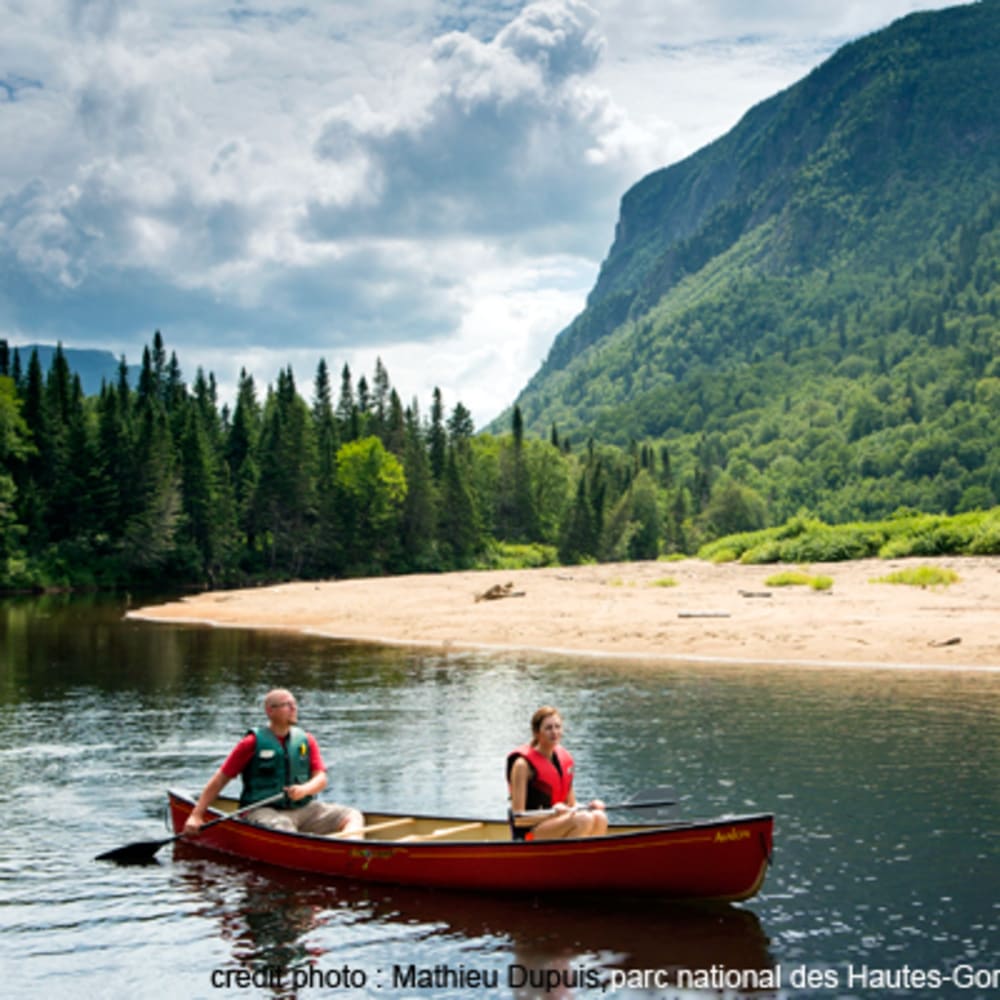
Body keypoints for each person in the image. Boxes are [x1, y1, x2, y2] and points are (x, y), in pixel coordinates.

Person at [183, 688, 363, 837]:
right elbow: (220, 779)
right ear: (270, 711)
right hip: (261, 810)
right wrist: (196, 815)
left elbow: (321, 779)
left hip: (303, 809)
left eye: (294, 704)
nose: (294, 708)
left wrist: (304, 790)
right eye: (287, 705)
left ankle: (352, 854)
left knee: (352, 815)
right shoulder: (251, 743)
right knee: (283, 826)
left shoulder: (306, 740)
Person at [506, 705, 608, 840]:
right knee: (583, 820)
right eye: (548, 728)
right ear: (537, 733)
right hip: (528, 834)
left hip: (555, 824)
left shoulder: (565, 760)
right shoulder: (522, 765)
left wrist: (589, 807)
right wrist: (552, 814)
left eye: (557, 727)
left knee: (599, 817)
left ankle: (588, 853)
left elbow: (571, 805)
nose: (554, 732)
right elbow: (518, 818)